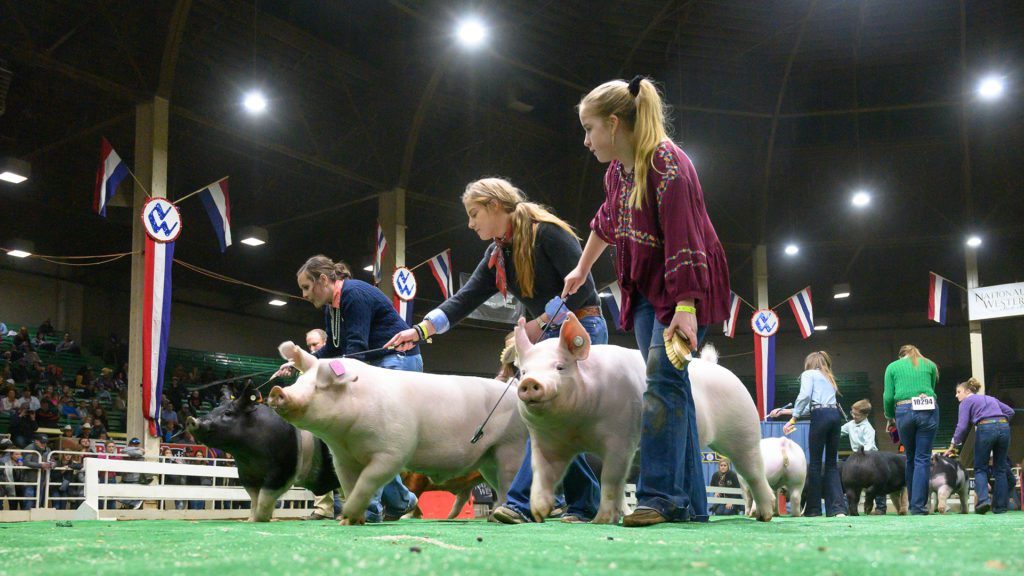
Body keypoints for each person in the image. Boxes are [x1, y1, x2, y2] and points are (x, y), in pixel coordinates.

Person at [386, 176, 608, 524]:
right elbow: (464, 300)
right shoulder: (497, 254)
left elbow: (583, 290)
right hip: (546, 340)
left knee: (541, 415)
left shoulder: (547, 233)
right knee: (551, 421)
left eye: (474, 214)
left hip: (582, 329)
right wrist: (420, 330)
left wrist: (537, 324)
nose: (470, 223)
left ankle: (521, 503)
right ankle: (584, 502)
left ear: (494, 205)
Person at [562, 76, 731, 526]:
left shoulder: (668, 164)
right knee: (673, 389)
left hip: (685, 283)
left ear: (614, 124)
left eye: (589, 128)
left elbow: (685, 238)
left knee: (660, 380)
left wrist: (687, 308)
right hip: (643, 286)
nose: (585, 139)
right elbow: (604, 222)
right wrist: (582, 269)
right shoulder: (617, 171)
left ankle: (658, 497)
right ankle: (692, 505)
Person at [291, 255, 420, 522]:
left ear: (323, 280)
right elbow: (333, 349)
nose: (303, 294)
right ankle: (401, 502)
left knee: (372, 434)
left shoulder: (354, 295)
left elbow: (355, 352)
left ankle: (366, 508)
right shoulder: (331, 307)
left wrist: (326, 376)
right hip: (375, 363)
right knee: (376, 439)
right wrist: (302, 363)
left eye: (306, 287)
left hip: (399, 360)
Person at [771, 352, 847, 517]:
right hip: (834, 416)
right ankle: (838, 509)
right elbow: (813, 406)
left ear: (809, 363)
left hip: (820, 418)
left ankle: (813, 509)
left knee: (814, 464)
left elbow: (805, 397)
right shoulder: (828, 377)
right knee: (832, 464)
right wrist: (784, 412)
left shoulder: (808, 374)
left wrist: (793, 419)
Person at [883, 344, 938, 515]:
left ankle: (915, 504)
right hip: (928, 408)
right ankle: (918, 507)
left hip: (904, 410)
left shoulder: (892, 367)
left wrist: (890, 417)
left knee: (910, 458)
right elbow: (932, 389)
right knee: (923, 458)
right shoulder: (930, 364)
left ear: (901, 356)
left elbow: (888, 396)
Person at [945, 378, 1014, 514]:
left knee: (980, 468)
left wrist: (953, 445)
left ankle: (983, 502)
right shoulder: (990, 398)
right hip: (1004, 426)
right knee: (1000, 469)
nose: (956, 395)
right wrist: (1001, 423)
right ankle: (1000, 507)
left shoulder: (966, 402)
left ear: (967, 391)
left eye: (958, 392)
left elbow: (962, 426)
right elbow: (1011, 412)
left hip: (985, 427)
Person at [839, 399, 886, 514]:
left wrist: (860, 459)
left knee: (877, 483)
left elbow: (868, 447)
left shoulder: (868, 428)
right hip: (857, 457)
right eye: (852, 413)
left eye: (857, 415)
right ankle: (850, 508)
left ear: (866, 415)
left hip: (870, 457)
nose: (854, 416)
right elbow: (838, 432)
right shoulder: (850, 425)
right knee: (851, 483)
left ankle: (880, 508)